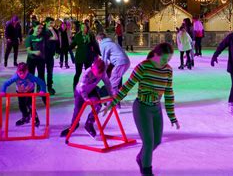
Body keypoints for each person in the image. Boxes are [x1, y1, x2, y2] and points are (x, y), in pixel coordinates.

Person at [102, 43, 180, 176]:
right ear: (156, 55)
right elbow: (127, 86)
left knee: (156, 141)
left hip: (156, 108)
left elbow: (168, 93)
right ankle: (147, 171)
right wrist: (113, 102)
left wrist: (172, 116)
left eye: (168, 60)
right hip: (142, 108)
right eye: (163, 59)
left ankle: (141, 157)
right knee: (149, 142)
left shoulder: (168, 70)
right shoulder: (143, 67)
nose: (165, 63)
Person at [60, 58, 112, 139]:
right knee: (77, 111)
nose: (99, 75)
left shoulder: (102, 73)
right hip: (80, 92)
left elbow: (108, 83)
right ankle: (73, 126)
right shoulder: (87, 73)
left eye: (100, 73)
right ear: (93, 68)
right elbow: (82, 88)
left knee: (98, 105)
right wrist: (86, 99)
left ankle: (89, 124)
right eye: (97, 73)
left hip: (91, 90)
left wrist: (111, 94)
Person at [0, 63, 47, 127]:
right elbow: (6, 83)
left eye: (23, 73)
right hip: (20, 92)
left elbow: (41, 82)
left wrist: (43, 90)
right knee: (21, 105)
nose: (21, 75)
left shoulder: (30, 76)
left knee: (30, 105)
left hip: (29, 91)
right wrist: (3, 91)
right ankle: (25, 117)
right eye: (20, 73)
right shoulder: (16, 77)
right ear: (17, 72)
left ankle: (35, 119)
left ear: (27, 71)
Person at [70, 21, 98, 91]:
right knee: (78, 73)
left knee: (88, 73)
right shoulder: (78, 35)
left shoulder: (90, 35)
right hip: (79, 56)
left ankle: (89, 87)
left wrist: (97, 54)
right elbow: (73, 44)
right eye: (82, 27)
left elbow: (94, 45)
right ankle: (75, 86)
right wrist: (64, 50)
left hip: (88, 56)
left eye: (84, 27)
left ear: (87, 28)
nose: (83, 29)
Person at [43, 17, 58, 95]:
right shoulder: (42, 31)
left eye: (53, 23)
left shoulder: (54, 30)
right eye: (50, 23)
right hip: (42, 54)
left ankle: (49, 87)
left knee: (50, 72)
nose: (52, 24)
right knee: (41, 72)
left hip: (50, 55)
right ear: (46, 23)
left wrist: (57, 51)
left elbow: (56, 40)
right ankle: (41, 88)